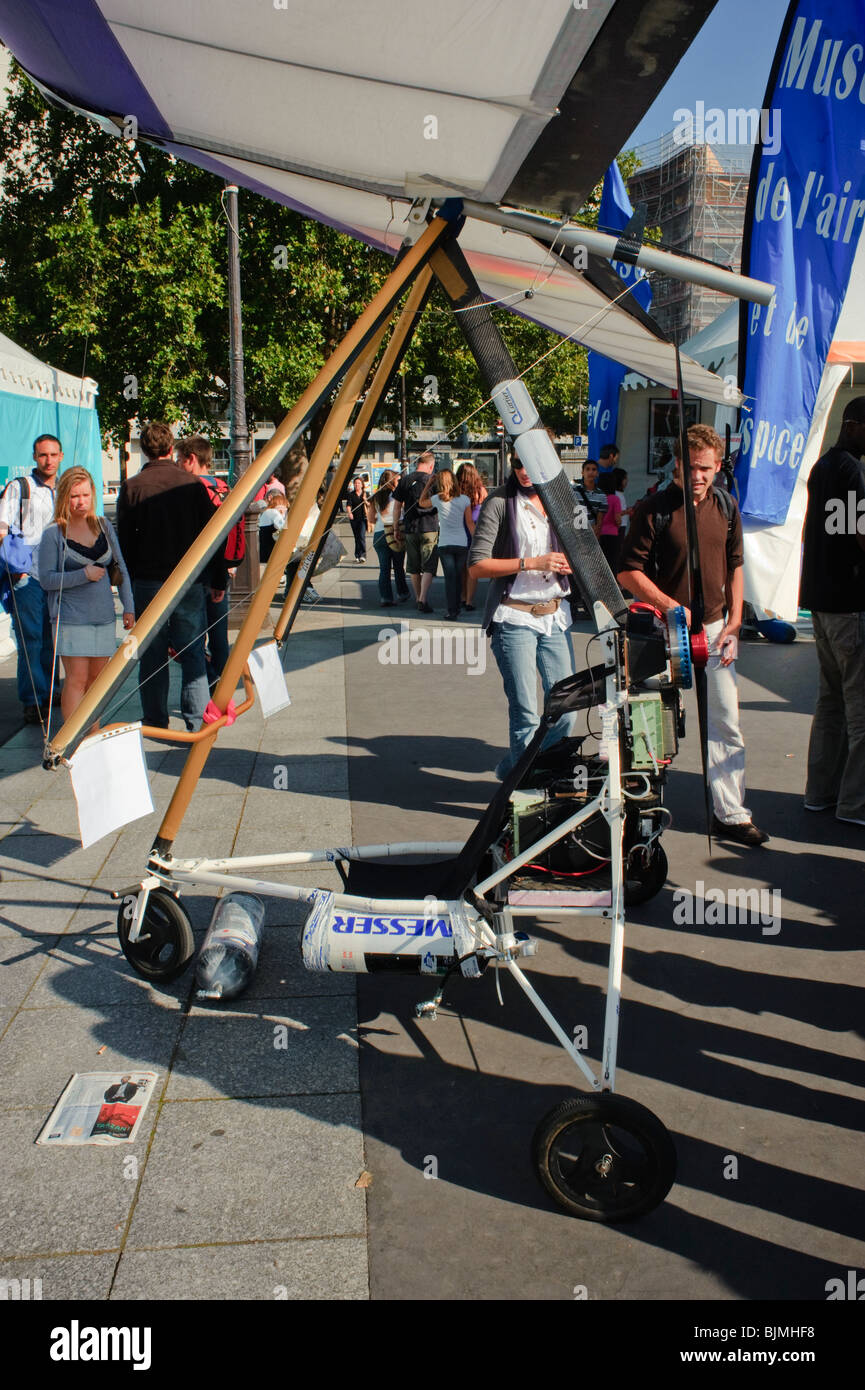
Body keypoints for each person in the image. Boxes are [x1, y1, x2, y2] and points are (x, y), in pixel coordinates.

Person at [617, 423, 768, 847]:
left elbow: (736, 565)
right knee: (651, 725)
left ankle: (731, 813)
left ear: (718, 467)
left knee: (726, 723)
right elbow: (628, 572)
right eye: (690, 467)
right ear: (678, 465)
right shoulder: (654, 509)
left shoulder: (726, 506)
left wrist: (736, 623)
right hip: (665, 631)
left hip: (718, 629)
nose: (698, 476)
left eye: (706, 468)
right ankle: (642, 811)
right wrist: (668, 605)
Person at [468, 454, 576, 779]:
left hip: (555, 616)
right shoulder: (500, 501)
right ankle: (522, 788)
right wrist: (531, 563)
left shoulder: (559, 498)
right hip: (514, 617)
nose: (525, 471)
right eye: (518, 463)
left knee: (566, 710)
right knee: (526, 711)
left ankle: (515, 768)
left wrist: (570, 562)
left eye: (532, 462)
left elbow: (576, 546)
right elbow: (476, 567)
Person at [116, 421, 227, 731]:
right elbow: (211, 536)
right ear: (170, 448)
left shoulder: (132, 487)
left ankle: (155, 718)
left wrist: (135, 580)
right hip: (188, 579)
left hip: (149, 581)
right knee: (192, 651)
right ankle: (196, 719)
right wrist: (218, 579)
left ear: (145, 450)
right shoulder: (191, 485)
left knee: (152, 653)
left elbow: (125, 541)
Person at [799, 397, 865, 827]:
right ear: (856, 425)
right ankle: (855, 805)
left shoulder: (822, 467)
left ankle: (819, 794)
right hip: (849, 604)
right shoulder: (854, 471)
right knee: (860, 711)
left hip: (821, 601)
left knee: (830, 705)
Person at [38, 467, 134, 730]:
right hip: (70, 618)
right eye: (74, 496)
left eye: (85, 494)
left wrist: (129, 607)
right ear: (63, 498)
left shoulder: (103, 525)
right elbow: (46, 580)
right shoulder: (53, 534)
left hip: (103, 616)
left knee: (96, 681)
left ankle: (93, 735)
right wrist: (83, 574)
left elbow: (120, 567)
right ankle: (73, 741)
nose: (81, 501)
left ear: (93, 493)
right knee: (77, 680)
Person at [0, 434, 63, 724]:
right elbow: (1, 528)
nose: (48, 460)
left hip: (59, 574)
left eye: (53, 455)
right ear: (35, 457)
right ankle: (34, 700)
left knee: (52, 638)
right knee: (32, 639)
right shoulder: (20, 487)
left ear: (60, 456)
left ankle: (51, 692)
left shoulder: (66, 487)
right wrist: (17, 567)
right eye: (42, 455)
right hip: (28, 576)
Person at [176, 436, 245, 691]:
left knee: (189, 636)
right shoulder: (223, 487)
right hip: (223, 569)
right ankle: (223, 688)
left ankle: (208, 679)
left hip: (195, 572)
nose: (178, 465)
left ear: (191, 460)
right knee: (219, 634)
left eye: (179, 460)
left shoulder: (188, 490)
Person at [418, 468, 473, 620]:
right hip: (461, 543)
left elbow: (421, 503)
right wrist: (476, 540)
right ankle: (458, 605)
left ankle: (452, 610)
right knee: (458, 576)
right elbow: (469, 523)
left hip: (445, 544)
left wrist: (428, 484)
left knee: (450, 578)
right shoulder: (465, 500)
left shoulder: (437, 499)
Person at [391, 451, 439, 613]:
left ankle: (418, 597)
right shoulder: (433, 481)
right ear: (431, 465)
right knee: (429, 566)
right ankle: (423, 598)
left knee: (413, 566)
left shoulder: (405, 479)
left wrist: (396, 527)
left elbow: (397, 506)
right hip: (430, 527)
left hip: (411, 528)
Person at [371, 469, 410, 607]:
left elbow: (370, 518)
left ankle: (385, 597)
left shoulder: (375, 496)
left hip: (379, 534)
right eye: (397, 480)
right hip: (395, 531)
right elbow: (401, 513)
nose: (399, 482)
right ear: (392, 481)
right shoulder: (397, 496)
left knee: (384, 568)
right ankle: (402, 592)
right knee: (398, 566)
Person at [456, 462, 488, 611]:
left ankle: (462, 595)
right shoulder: (480, 491)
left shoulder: (455, 491)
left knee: (461, 568)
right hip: (473, 530)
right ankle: (469, 600)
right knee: (472, 567)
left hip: (457, 532)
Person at [573, 459, 606, 534]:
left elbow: (599, 521)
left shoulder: (602, 495)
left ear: (597, 473)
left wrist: (597, 535)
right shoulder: (573, 491)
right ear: (582, 472)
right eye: (587, 469)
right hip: (573, 534)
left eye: (594, 469)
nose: (590, 472)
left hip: (590, 536)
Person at [345, 477, 369, 563]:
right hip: (354, 519)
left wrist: (365, 500)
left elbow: (370, 505)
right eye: (355, 483)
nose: (357, 485)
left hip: (363, 518)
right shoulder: (351, 494)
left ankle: (363, 555)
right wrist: (349, 513)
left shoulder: (366, 494)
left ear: (362, 485)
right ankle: (357, 555)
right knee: (356, 537)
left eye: (358, 483)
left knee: (361, 536)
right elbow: (348, 505)